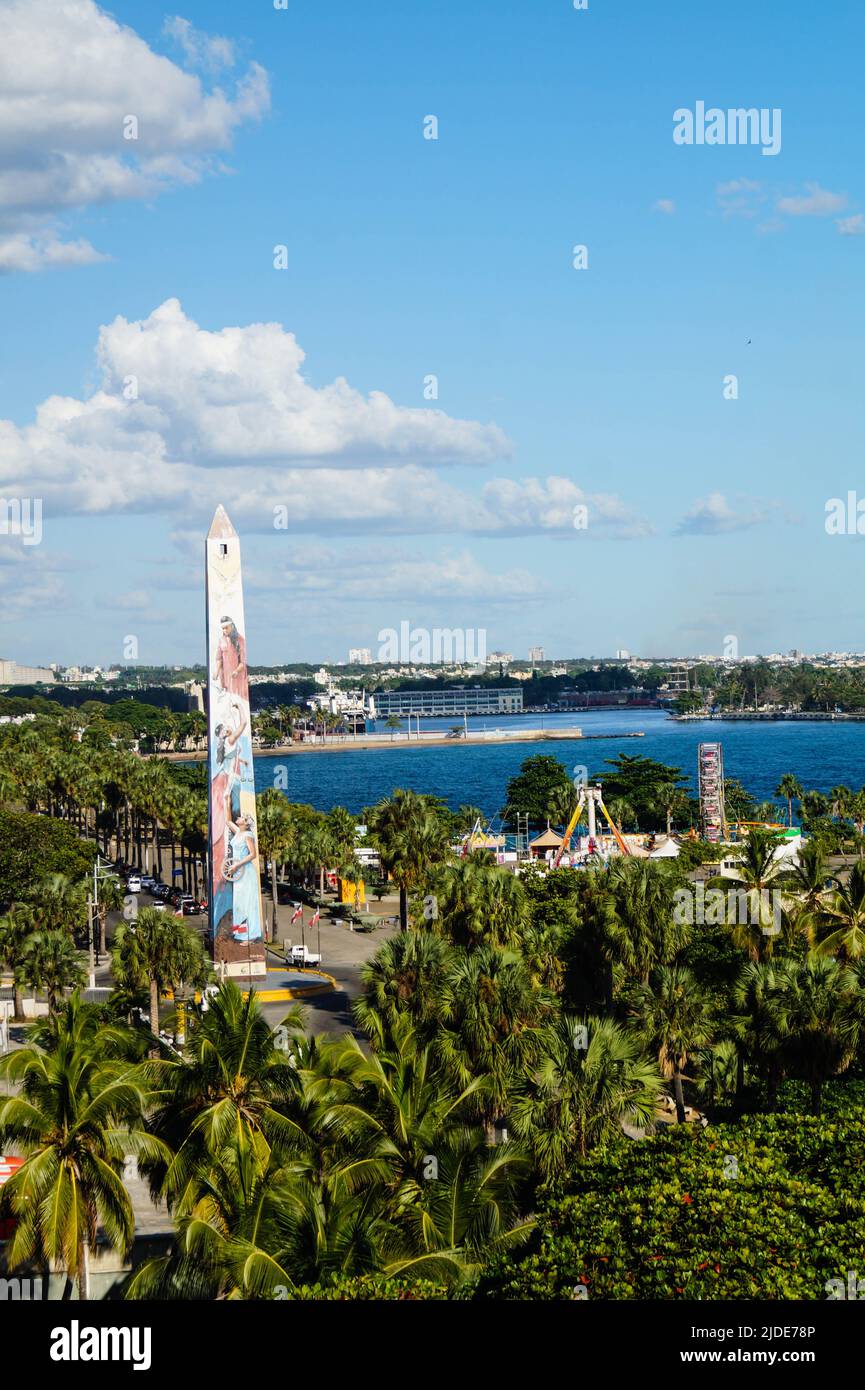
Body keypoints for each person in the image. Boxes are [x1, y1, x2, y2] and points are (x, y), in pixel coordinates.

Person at [223, 798, 262, 943]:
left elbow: (253, 854)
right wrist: (227, 803)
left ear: (245, 823)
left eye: (241, 818)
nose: (238, 817)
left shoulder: (248, 835)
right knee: (239, 902)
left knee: (248, 903)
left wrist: (237, 865)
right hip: (237, 871)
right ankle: (240, 934)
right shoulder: (238, 832)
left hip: (245, 871)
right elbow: (228, 821)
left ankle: (250, 935)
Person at [213, 615, 247, 696]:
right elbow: (218, 658)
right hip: (225, 674)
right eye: (223, 628)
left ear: (232, 626)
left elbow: (243, 661)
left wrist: (236, 671)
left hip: (237, 674)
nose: (224, 630)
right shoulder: (222, 640)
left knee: (236, 697)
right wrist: (217, 671)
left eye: (226, 628)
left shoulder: (240, 639)